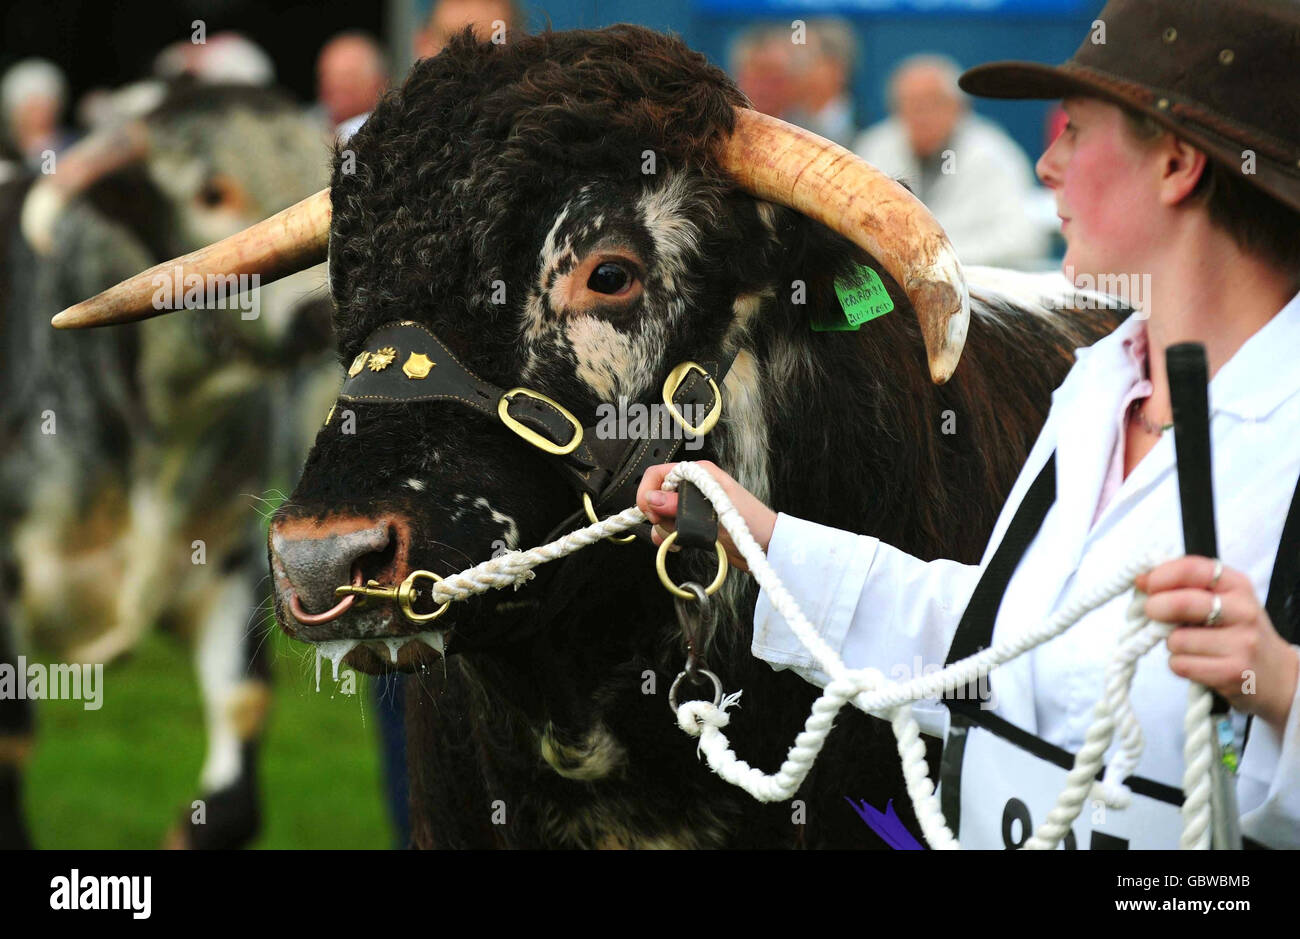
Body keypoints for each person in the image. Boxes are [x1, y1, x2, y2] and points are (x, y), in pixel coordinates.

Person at [638, 0, 1300, 849]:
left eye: (1076, 132)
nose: (1048, 165)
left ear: (1175, 163)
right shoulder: (1097, 388)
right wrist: (765, 541)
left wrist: (1280, 685)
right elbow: (998, 647)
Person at [853, 54, 1050, 268]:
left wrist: (937, 256)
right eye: (910, 104)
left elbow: (1024, 240)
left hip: (974, 286)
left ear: (959, 107)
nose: (922, 115)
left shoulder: (993, 155)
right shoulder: (873, 149)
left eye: (933, 103)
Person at [315, 32, 389, 141]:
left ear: (377, 82)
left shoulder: (396, 135)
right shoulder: (305, 129)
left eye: (346, 76)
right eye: (326, 76)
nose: (333, 84)